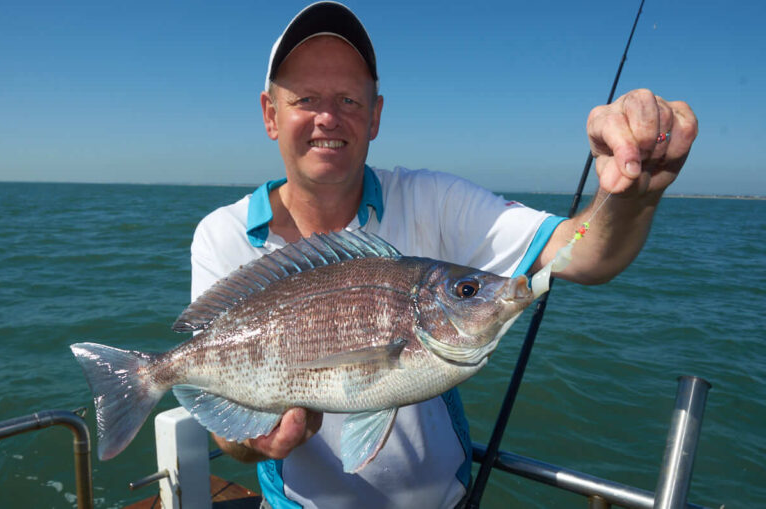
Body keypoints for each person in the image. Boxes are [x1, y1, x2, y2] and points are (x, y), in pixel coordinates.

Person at [190, 2, 698, 508]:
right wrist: (254, 440)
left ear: (375, 115)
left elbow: (583, 255)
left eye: (348, 98)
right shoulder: (222, 235)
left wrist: (630, 194)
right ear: (270, 114)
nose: (328, 117)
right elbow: (227, 435)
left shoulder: (433, 200)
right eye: (305, 98)